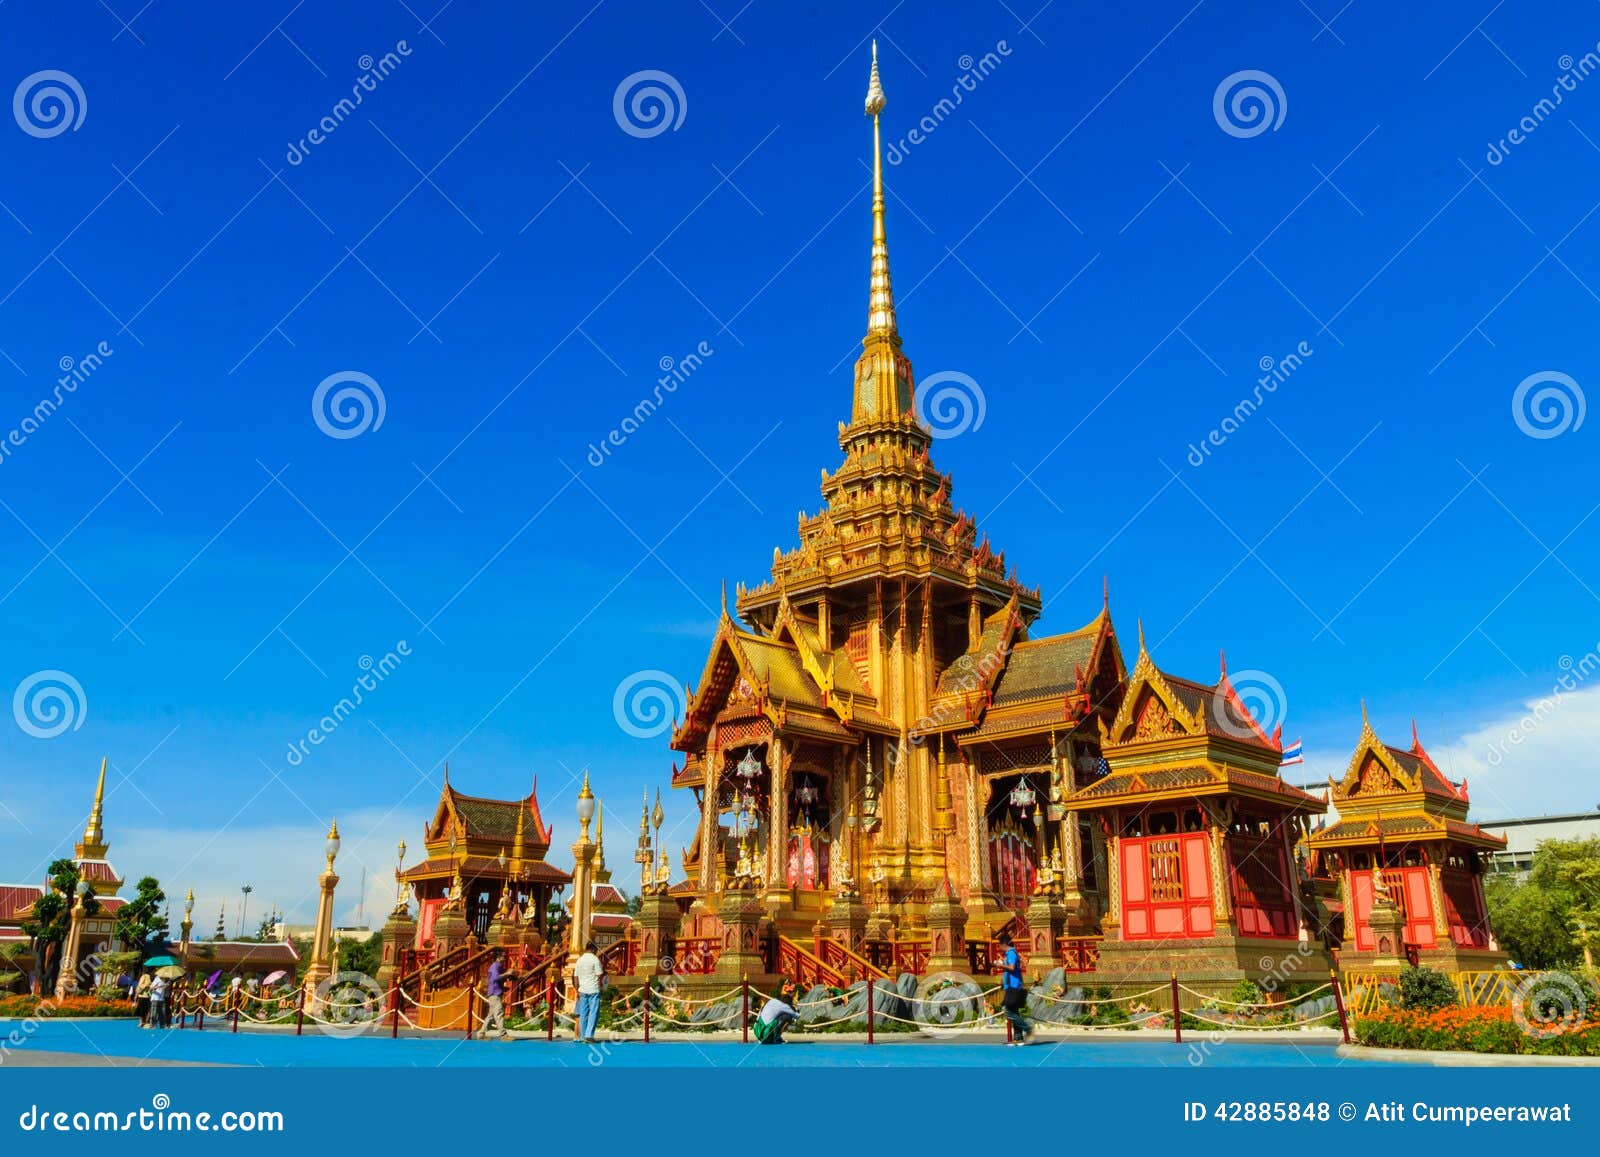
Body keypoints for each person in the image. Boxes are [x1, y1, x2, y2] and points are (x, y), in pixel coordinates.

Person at [996, 931, 1032, 1045]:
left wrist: (1000, 965)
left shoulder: (1011, 953)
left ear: (1004, 944)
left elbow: (1011, 967)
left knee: (1007, 1010)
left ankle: (1027, 1028)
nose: (999, 947)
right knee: (1014, 1011)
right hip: (1011, 985)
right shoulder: (1009, 954)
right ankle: (1018, 1037)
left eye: (999, 944)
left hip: (1014, 986)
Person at [572, 940, 605, 1043]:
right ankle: (589, 1035)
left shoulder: (579, 960)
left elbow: (575, 976)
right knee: (593, 1012)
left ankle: (582, 1036)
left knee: (583, 1013)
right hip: (593, 989)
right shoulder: (595, 960)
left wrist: (577, 989)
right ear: (594, 949)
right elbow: (600, 974)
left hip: (582, 989)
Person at [753, 980, 799, 1044]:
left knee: (778, 1015)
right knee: (788, 1016)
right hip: (765, 1034)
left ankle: (768, 1037)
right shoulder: (784, 1005)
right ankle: (776, 1038)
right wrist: (795, 1008)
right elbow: (797, 1016)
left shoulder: (772, 1001)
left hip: (757, 1031)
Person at [479, 949, 508, 1040]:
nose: (505, 958)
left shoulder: (499, 966)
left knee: (490, 1015)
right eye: (503, 956)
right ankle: (503, 1034)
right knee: (499, 1012)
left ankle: (481, 1034)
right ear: (498, 957)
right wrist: (507, 973)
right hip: (494, 993)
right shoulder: (495, 966)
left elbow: (499, 978)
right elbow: (496, 978)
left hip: (496, 992)